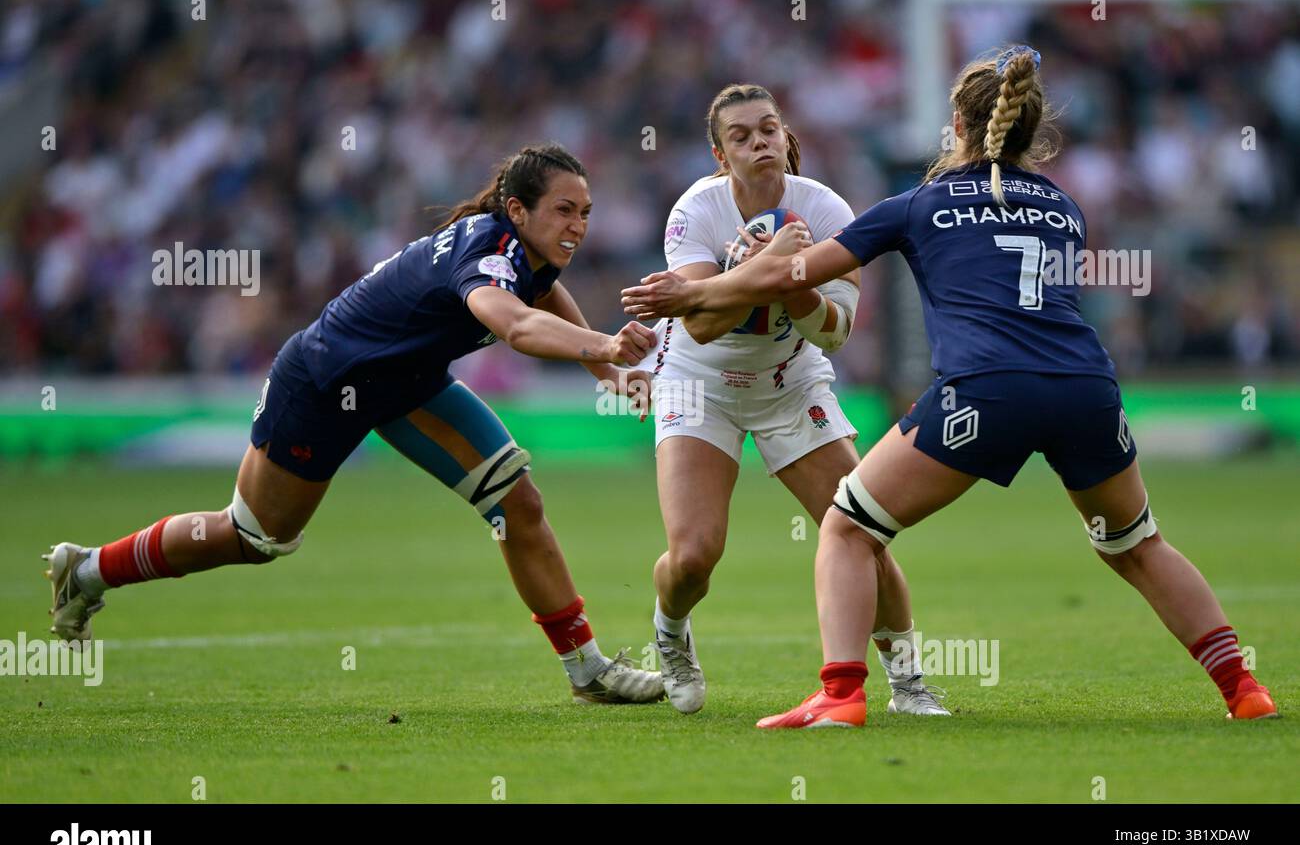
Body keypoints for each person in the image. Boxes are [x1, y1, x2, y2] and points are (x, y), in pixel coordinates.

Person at [622, 48, 1278, 726]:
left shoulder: (916, 203)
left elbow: (793, 282)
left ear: (957, 128)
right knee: (1137, 544)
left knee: (850, 526)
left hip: (984, 390)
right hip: (1087, 387)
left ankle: (843, 695)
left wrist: (704, 288)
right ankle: (1243, 688)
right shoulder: (1065, 207)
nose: (760, 142)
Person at [45, 142, 666, 706]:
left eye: (585, 212)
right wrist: (606, 350)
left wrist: (607, 376)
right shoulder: (488, 249)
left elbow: (542, 292)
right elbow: (517, 325)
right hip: (321, 383)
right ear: (517, 209)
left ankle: (587, 669)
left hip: (404, 384)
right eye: (565, 210)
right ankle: (89, 569)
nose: (578, 227)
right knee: (254, 537)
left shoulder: (525, 245)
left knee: (516, 500)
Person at [637, 83, 946, 716]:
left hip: (790, 381)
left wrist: (784, 281)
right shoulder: (695, 211)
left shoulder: (827, 211)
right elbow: (699, 325)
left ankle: (909, 684)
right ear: (721, 156)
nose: (760, 143)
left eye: (769, 130)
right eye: (742, 137)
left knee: (865, 532)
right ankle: (670, 632)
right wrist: (772, 266)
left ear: (786, 138)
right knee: (694, 555)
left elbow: (835, 330)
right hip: (701, 382)